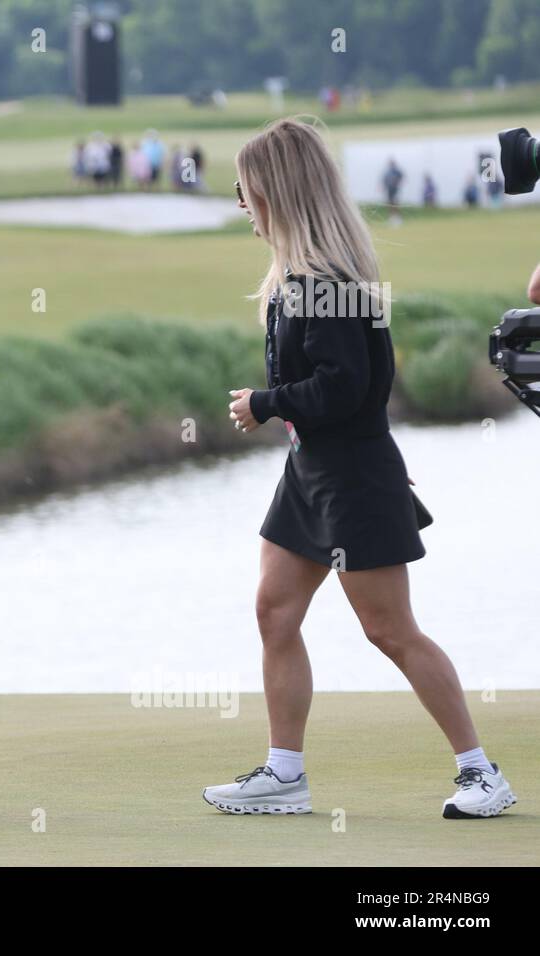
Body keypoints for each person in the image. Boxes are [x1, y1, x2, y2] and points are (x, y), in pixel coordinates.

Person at [214, 118, 517, 820]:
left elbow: (345, 386)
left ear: (279, 193)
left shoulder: (326, 283)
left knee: (389, 630)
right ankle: (284, 774)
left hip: (351, 477)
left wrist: (264, 403)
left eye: (246, 190)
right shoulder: (300, 280)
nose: (240, 205)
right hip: (312, 473)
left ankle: (481, 774)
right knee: (275, 609)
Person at [382, 157, 404, 224]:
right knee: (389, 204)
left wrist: (397, 182)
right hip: (389, 189)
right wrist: (384, 186)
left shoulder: (396, 171)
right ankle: (391, 218)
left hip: (395, 189)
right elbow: (385, 180)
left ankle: (398, 218)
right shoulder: (388, 172)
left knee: (395, 203)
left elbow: (401, 177)